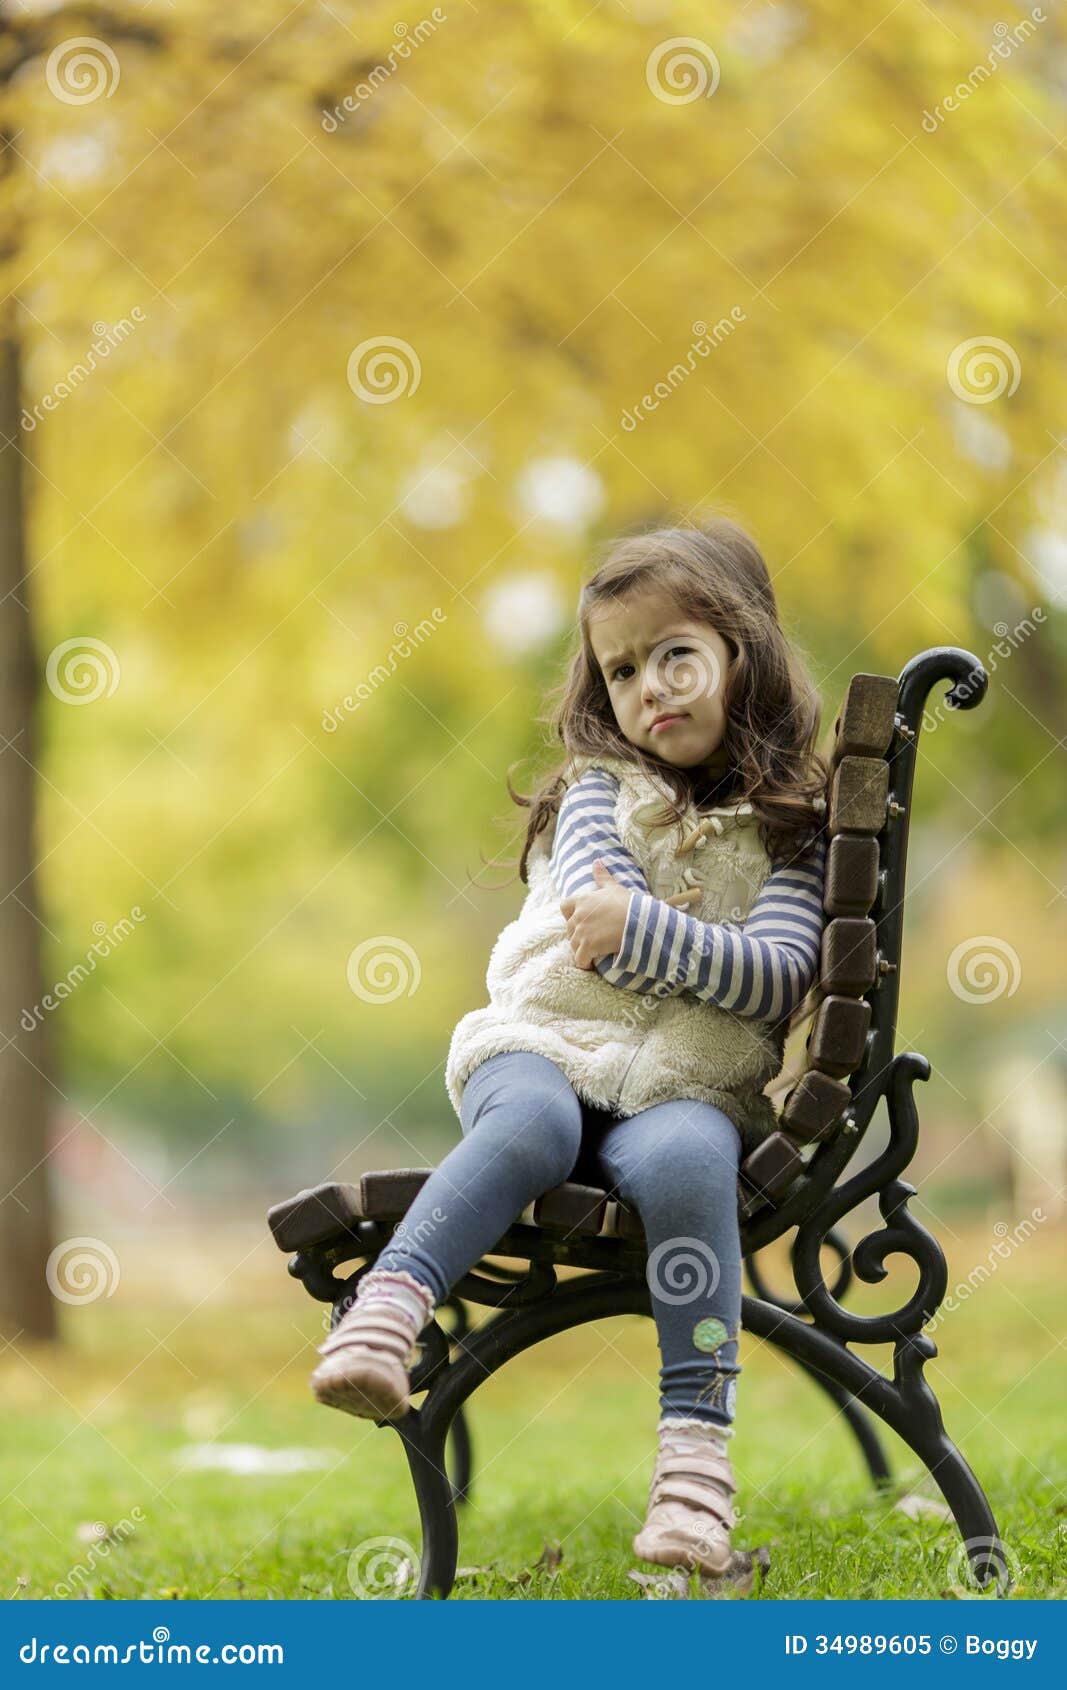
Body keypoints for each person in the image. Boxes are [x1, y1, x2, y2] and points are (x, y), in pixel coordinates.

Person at [310, 515, 828, 1580]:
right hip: (539, 1044)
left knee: (689, 1160)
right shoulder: (598, 790)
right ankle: (388, 1309)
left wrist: (642, 932)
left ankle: (692, 1467)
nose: (651, 688)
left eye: (675, 653)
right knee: (535, 1121)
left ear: (743, 653)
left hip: (685, 1084)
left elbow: (774, 973)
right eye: (622, 668)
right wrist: (661, 938)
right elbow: (598, 932)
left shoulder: (790, 832)